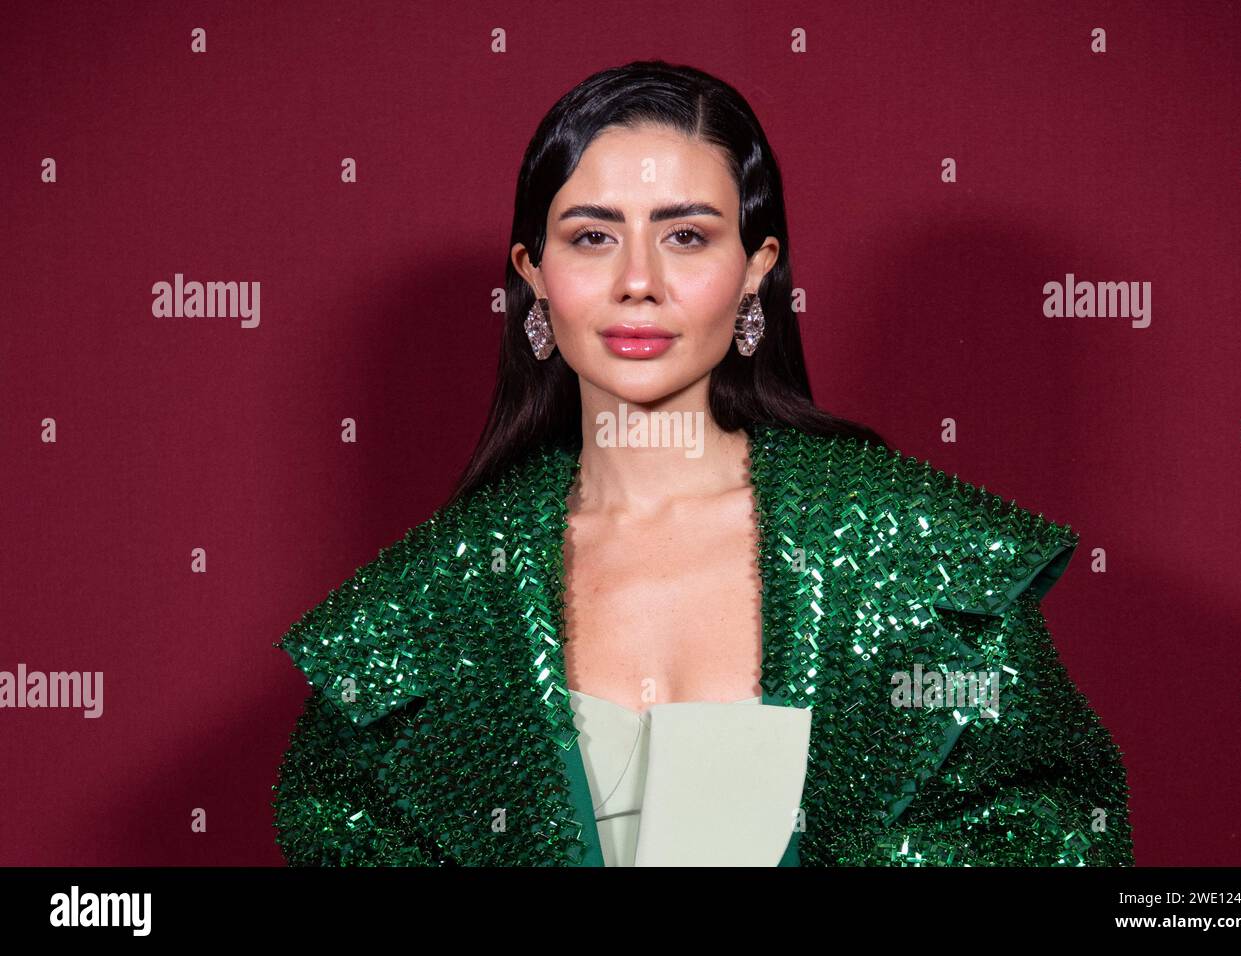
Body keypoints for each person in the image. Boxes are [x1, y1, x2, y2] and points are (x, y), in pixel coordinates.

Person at [271, 59, 1134, 867]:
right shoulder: (421, 610)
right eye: (592, 237)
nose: (638, 281)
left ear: (755, 270)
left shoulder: (918, 557)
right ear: (534, 274)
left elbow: (1054, 840)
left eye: (685, 235)